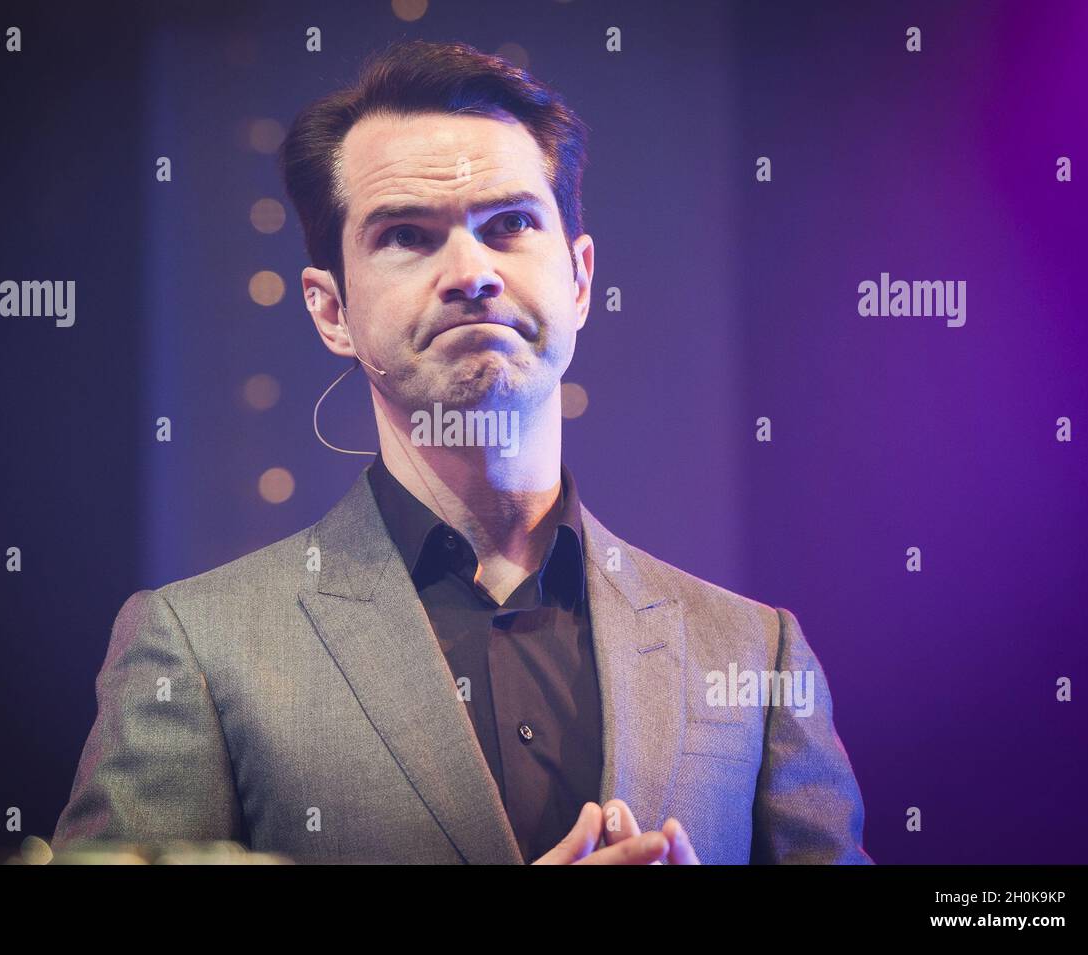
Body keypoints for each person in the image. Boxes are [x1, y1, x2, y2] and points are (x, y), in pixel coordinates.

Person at [52, 39, 871, 865]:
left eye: (510, 223)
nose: (471, 271)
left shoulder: (753, 652)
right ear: (330, 309)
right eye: (408, 234)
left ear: (581, 280)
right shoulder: (196, 645)